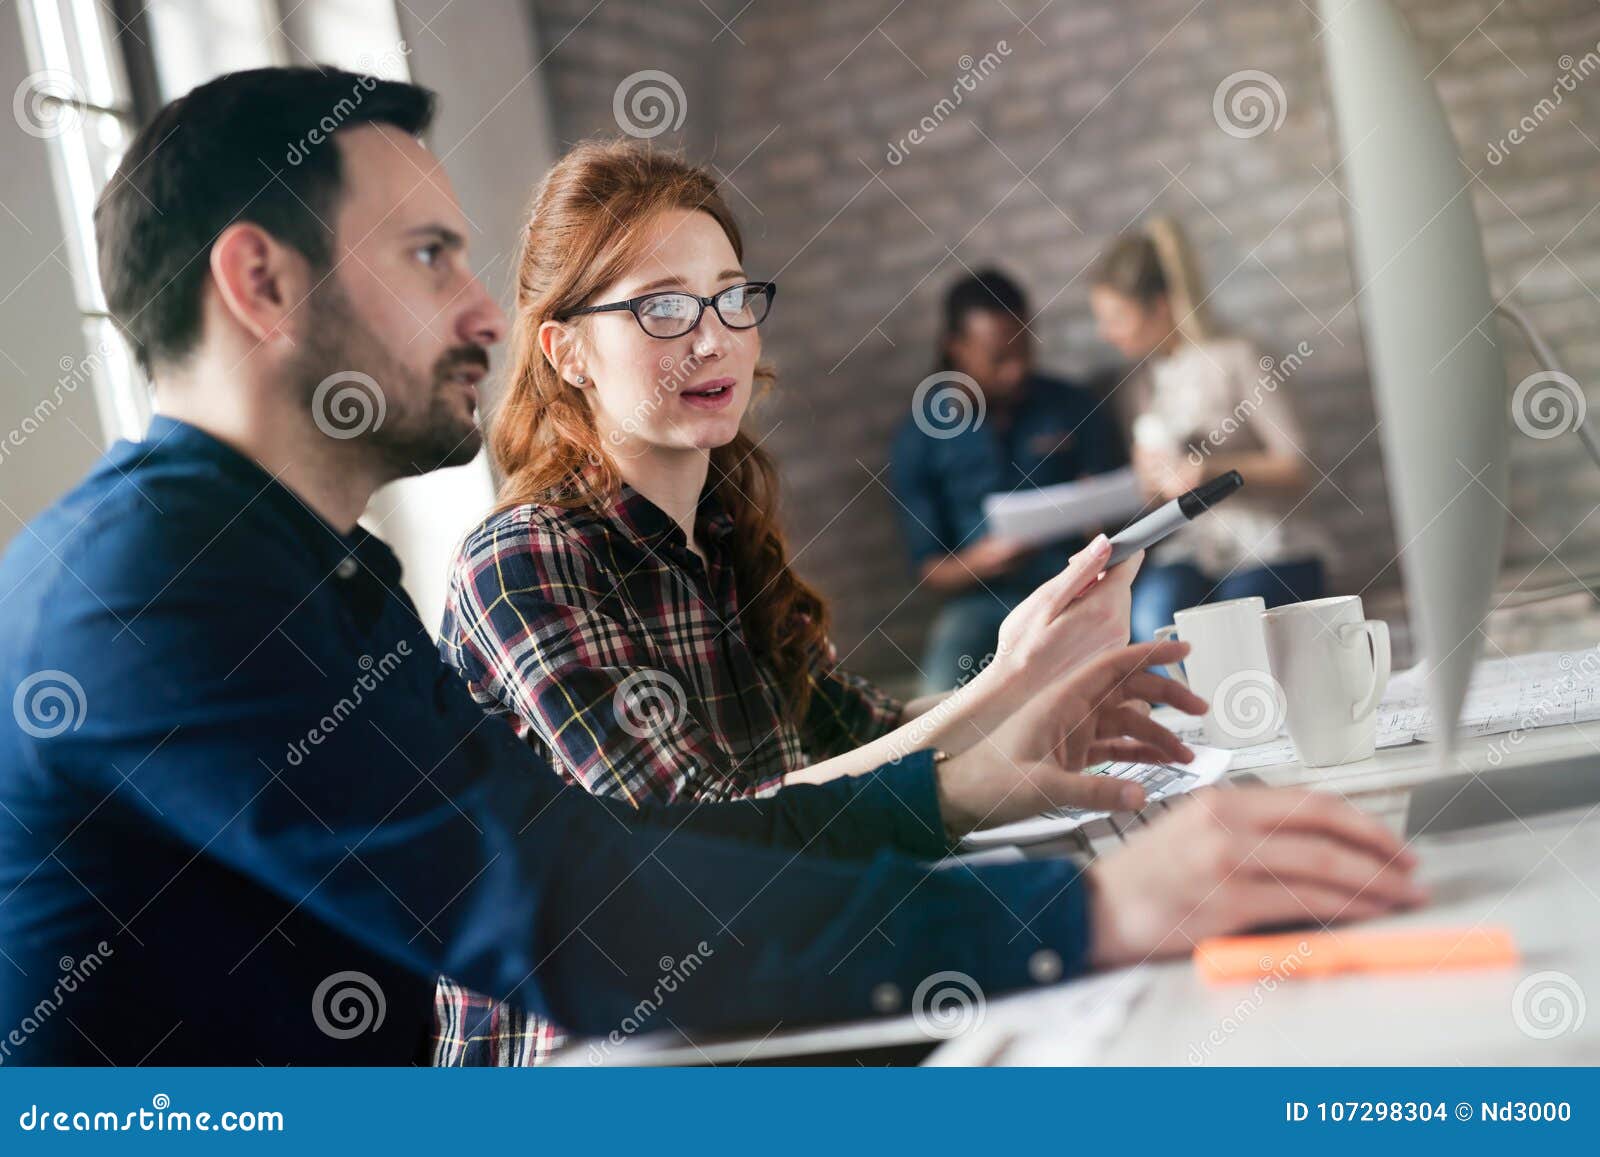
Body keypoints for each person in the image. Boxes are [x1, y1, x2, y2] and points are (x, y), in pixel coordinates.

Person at [0, 67, 1424, 1066]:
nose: (482, 304)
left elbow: (606, 857)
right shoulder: (153, 584)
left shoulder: (311, 569)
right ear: (260, 283)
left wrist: (972, 779)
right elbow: (577, 913)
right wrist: (1095, 907)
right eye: (432, 254)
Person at [435, 143, 1138, 1064]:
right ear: (567, 352)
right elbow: (700, 836)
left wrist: (1035, 687)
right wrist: (997, 694)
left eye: (731, 295)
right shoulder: (524, 559)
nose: (713, 335)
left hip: (749, 988)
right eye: (663, 307)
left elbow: (859, 732)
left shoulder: (721, 536)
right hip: (600, 1057)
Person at [1089, 219, 1329, 643]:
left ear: (1160, 306)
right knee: (1151, 621)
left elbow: (1299, 467)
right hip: (1193, 550)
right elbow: (1157, 495)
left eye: (1116, 318)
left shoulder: (1239, 357)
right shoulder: (1139, 384)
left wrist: (1211, 470)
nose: (1106, 334)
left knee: (1232, 632)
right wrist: (1149, 484)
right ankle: (1189, 710)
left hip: (1270, 543)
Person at [891, 269, 1128, 694]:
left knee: (1120, 675)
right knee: (938, 699)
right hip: (983, 601)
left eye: (1023, 352)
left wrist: (1096, 533)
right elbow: (927, 569)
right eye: (999, 358)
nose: (1016, 370)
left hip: (1071, 585)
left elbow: (1116, 505)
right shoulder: (922, 437)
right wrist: (982, 561)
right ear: (956, 349)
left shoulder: (1072, 406)